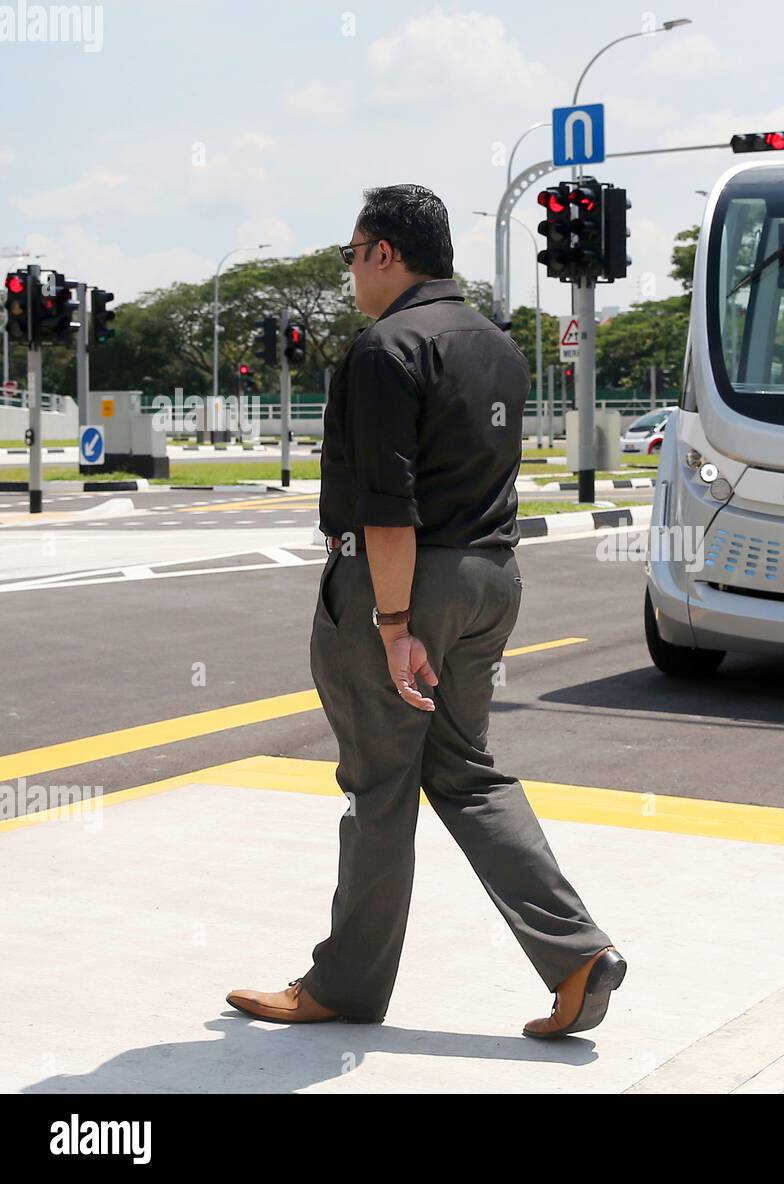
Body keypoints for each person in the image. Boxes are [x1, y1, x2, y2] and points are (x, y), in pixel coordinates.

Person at [227, 184, 625, 1038]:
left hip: (401, 585)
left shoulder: (386, 348)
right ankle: (576, 954)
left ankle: (345, 986)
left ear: (381, 252)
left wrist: (394, 625)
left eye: (352, 258)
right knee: (463, 769)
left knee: (379, 784)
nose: (352, 278)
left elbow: (387, 508)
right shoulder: (497, 345)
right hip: (491, 578)